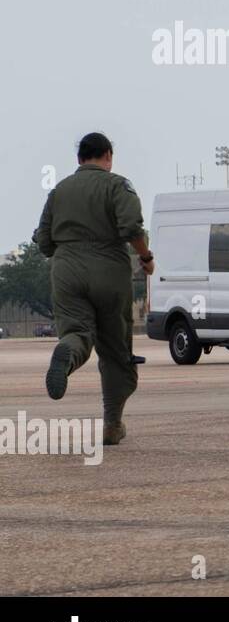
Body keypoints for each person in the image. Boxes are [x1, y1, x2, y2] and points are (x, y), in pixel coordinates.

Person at [34, 133, 154, 445]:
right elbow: (131, 228)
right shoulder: (117, 185)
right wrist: (146, 257)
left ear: (79, 159)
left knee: (77, 333)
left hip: (66, 270)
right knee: (115, 352)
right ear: (108, 156)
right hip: (108, 271)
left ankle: (68, 353)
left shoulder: (58, 191)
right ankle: (112, 424)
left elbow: (45, 243)